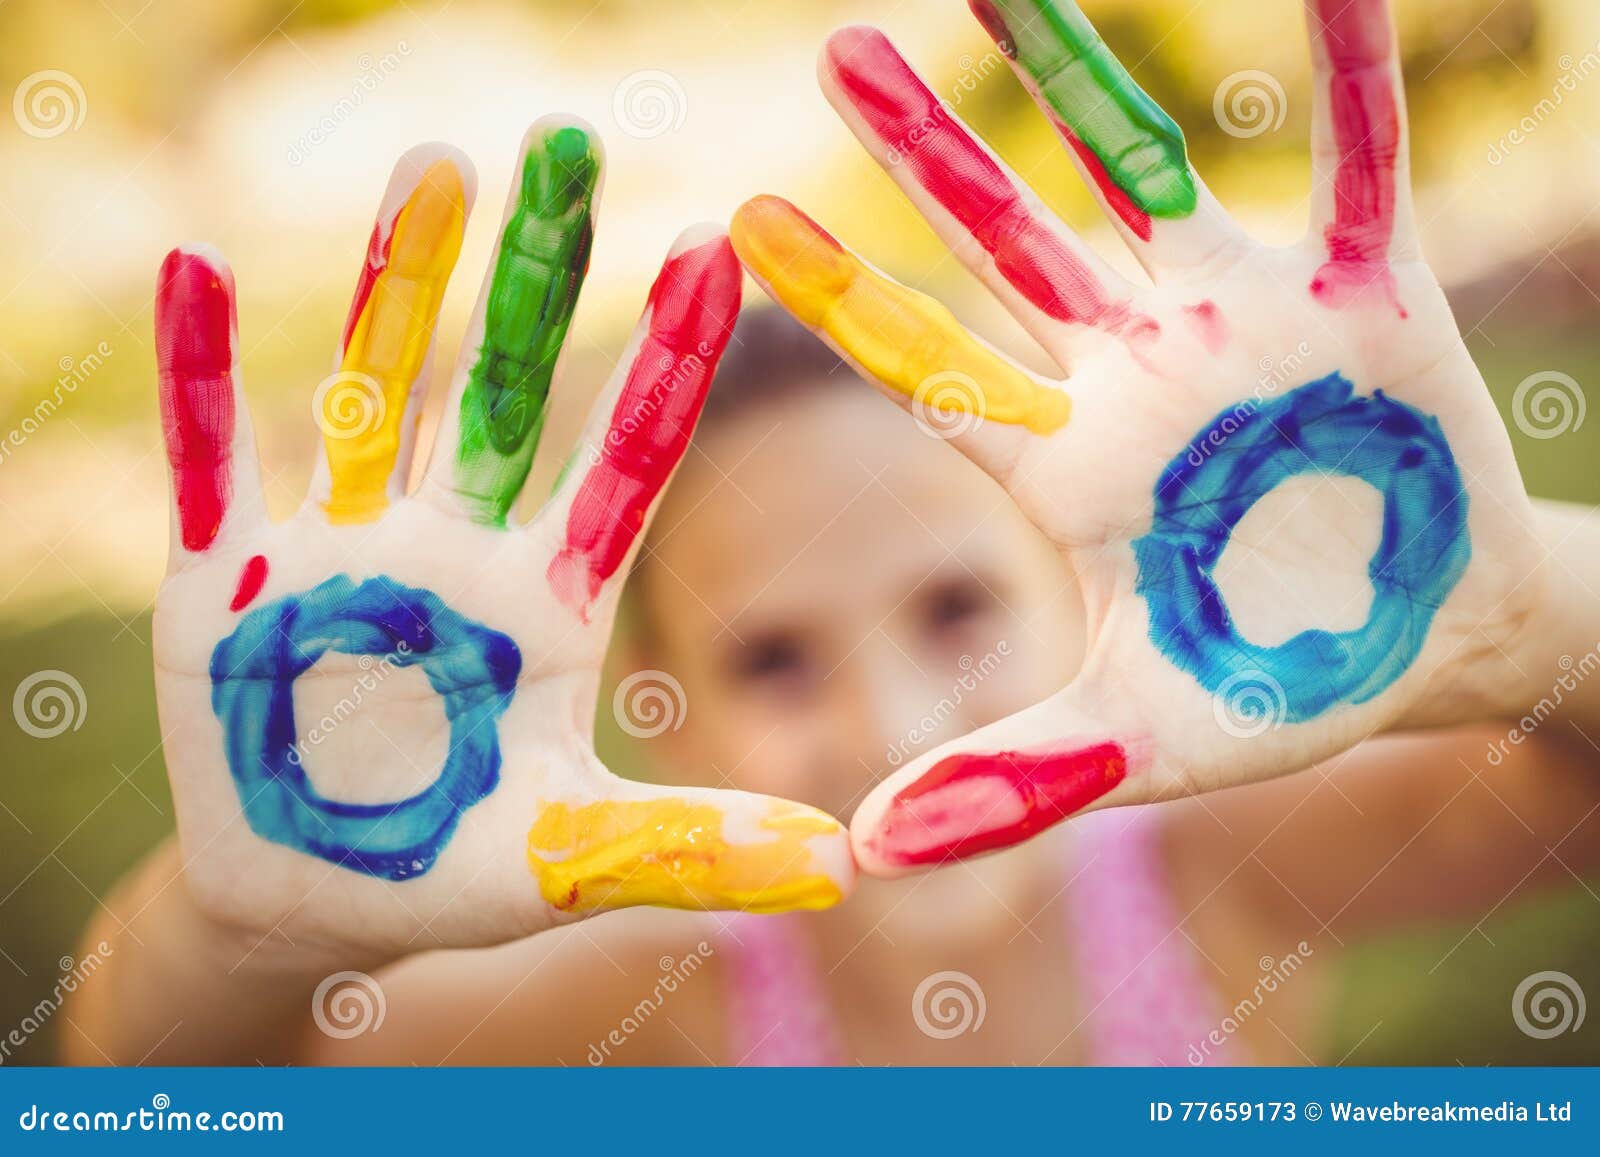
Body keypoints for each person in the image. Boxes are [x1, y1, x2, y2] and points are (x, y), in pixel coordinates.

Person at [65, 0, 1600, 1066]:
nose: (892, 721)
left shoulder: (1232, 876)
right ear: (657, 712)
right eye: (774, 659)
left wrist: (1535, 623)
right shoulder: (656, 994)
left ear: (1088, 599)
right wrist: (243, 935)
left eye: (953, 605)